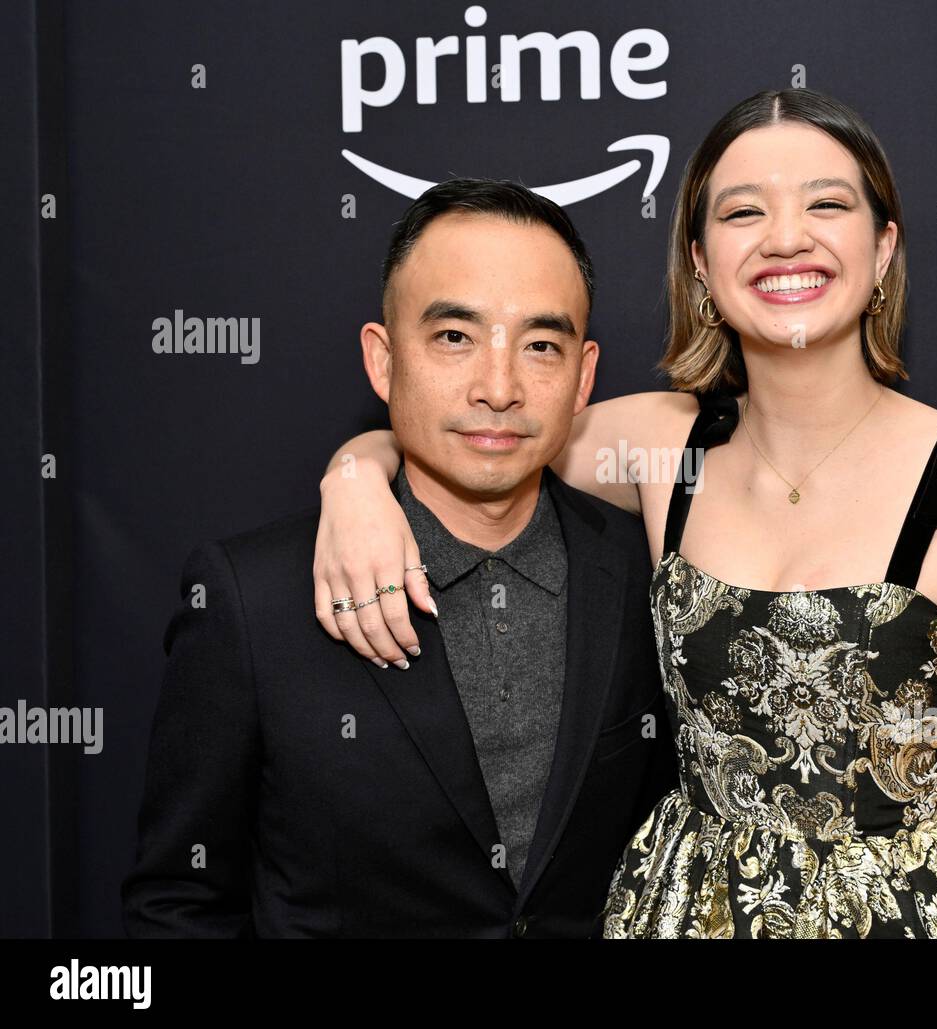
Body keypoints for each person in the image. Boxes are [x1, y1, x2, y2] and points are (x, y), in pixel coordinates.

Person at [312, 89, 937, 938]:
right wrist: (354, 476)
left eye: (826, 204)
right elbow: (483, 426)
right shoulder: (658, 449)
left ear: (884, 249)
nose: (786, 237)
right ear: (699, 262)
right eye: (743, 211)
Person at [122, 178, 676, 938]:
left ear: (584, 377)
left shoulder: (646, 573)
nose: (499, 387)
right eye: (455, 337)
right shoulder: (250, 602)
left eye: (540, 345)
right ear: (383, 361)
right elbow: (179, 906)